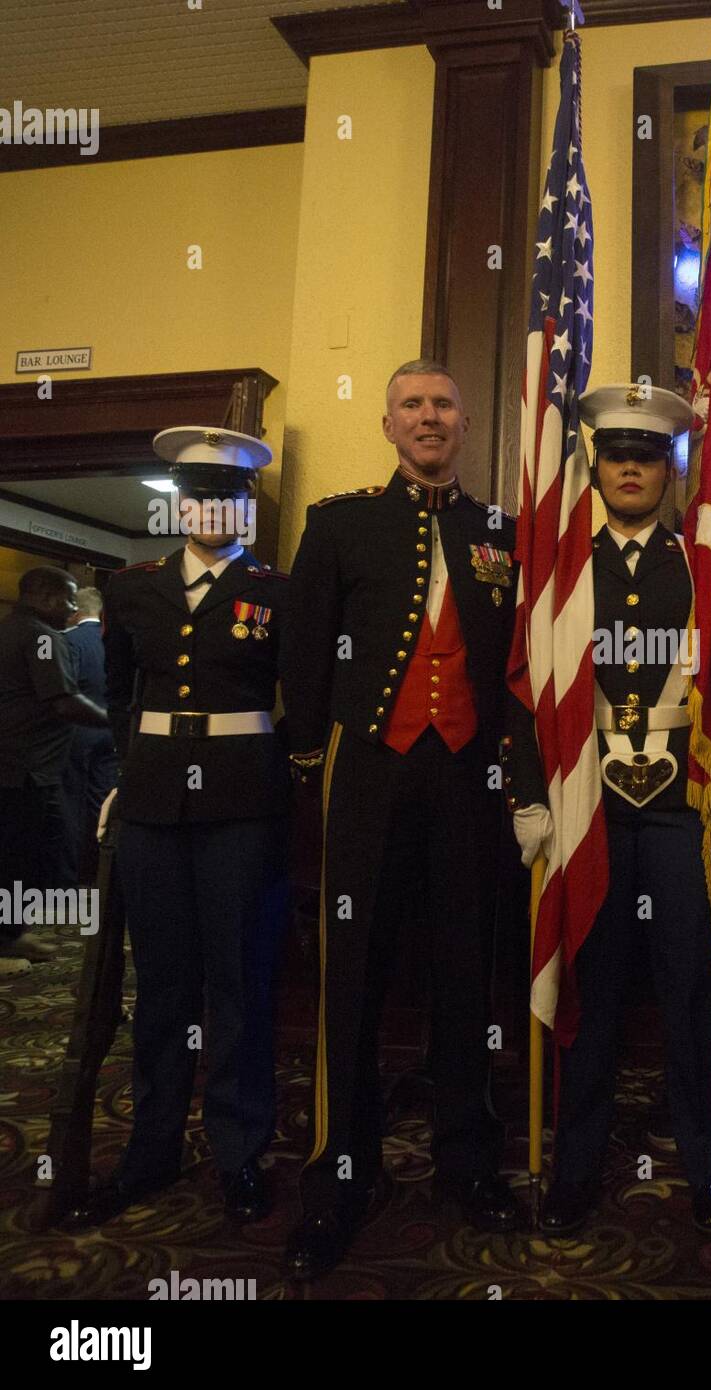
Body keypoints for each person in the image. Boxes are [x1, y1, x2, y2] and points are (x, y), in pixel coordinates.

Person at [504, 383, 711, 1235]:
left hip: (677, 806)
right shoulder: (558, 561)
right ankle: (575, 1165)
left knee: (693, 988)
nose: (630, 469)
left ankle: (705, 1162)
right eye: (616, 454)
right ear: (593, 461)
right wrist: (523, 793)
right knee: (590, 979)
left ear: (670, 469)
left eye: (648, 457)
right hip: (582, 795)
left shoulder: (701, 561)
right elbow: (521, 683)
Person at [280, 359, 521, 1281]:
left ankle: (469, 1163)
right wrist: (311, 760)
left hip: (469, 782)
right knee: (356, 974)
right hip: (370, 776)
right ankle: (341, 1174)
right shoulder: (341, 525)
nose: (428, 418)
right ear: (388, 426)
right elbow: (303, 651)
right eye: (412, 406)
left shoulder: (500, 531)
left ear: (464, 423)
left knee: (469, 972)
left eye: (443, 405)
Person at [76, 427, 290, 1227]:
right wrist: (125, 783)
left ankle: (240, 1152)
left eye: (228, 496)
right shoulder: (132, 589)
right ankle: (151, 1149)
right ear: (177, 505)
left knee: (240, 983)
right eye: (196, 496)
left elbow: (294, 697)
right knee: (161, 986)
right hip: (155, 805)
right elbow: (126, 699)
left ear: (246, 508)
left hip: (242, 804)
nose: (211, 509)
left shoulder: (279, 593)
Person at [0, 566, 108, 975]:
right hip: (23, 769)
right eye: (66, 598)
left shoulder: (10, 629)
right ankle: (3, 943)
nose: (70, 607)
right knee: (12, 858)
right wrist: (116, 721)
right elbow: (63, 700)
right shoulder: (41, 638)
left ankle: (11, 932)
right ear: (44, 597)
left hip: (17, 766)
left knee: (17, 857)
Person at [59, 587, 119, 885]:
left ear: (75, 612)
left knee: (70, 802)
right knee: (101, 799)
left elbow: (63, 692)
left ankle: (70, 874)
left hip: (77, 731)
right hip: (111, 731)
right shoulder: (114, 641)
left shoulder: (68, 641)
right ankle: (98, 870)